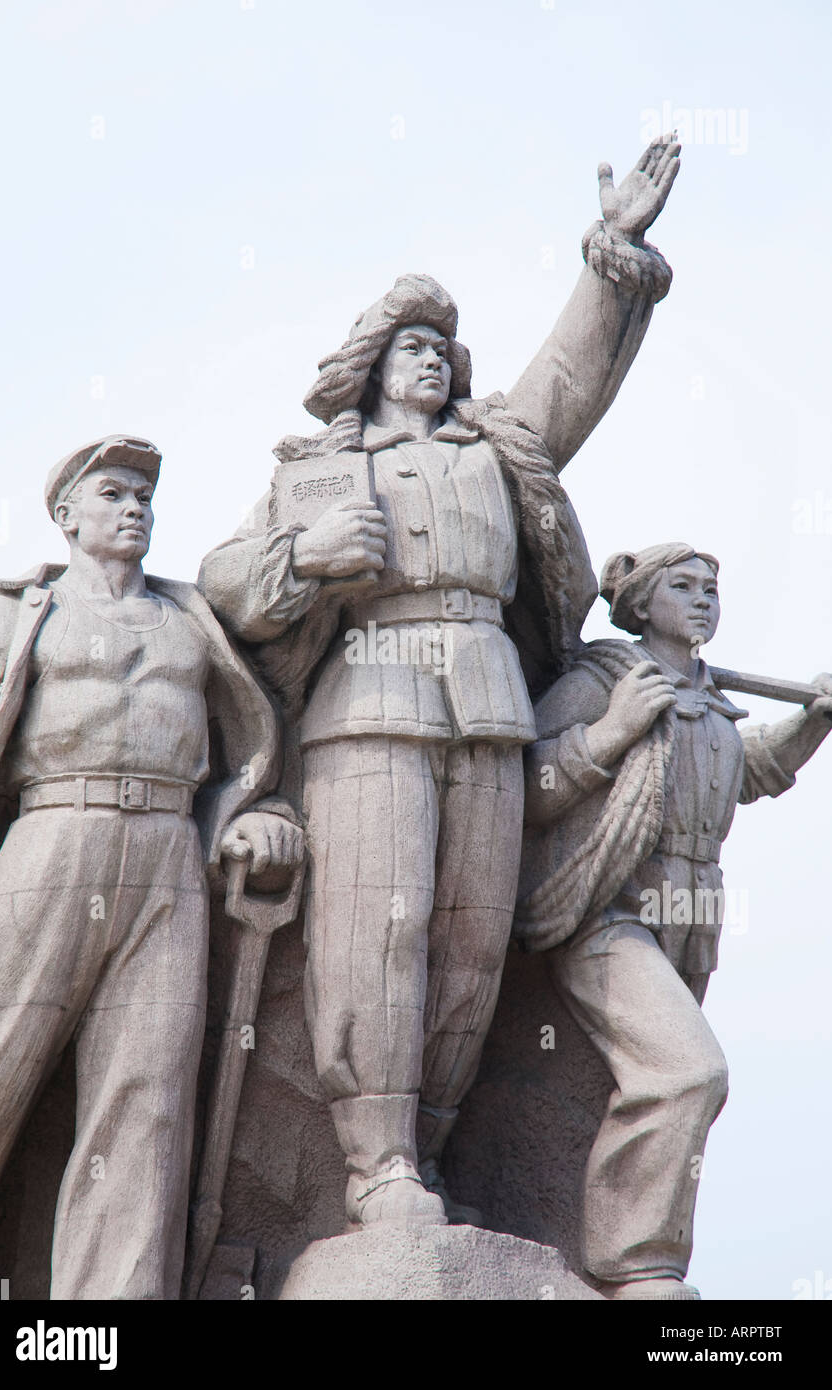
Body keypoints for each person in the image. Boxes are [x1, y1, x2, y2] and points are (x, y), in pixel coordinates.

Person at [199, 137, 681, 1229]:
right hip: (368, 706)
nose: (429, 359)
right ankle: (373, 1166)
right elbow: (226, 584)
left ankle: (429, 1151)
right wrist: (307, 555)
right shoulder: (316, 470)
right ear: (369, 363)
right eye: (410, 344)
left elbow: (567, 382)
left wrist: (612, 252)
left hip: (487, 706)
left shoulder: (493, 450)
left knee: (468, 938)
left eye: (441, 348)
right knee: (378, 929)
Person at [0, 435, 302, 1299]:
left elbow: (247, 749)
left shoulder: (193, 620)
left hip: (167, 854)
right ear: (66, 515)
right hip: (52, 838)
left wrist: (251, 813)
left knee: (145, 1104)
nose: (135, 507)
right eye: (113, 492)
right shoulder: (10, 616)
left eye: (145, 495)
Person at [515, 543, 832, 1299]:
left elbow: (749, 772)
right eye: (683, 586)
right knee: (688, 1070)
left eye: (712, 589)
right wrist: (613, 731)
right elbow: (526, 787)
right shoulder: (603, 680)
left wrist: (814, 724)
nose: (703, 600)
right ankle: (639, 1263)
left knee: (649, 1082)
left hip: (693, 916)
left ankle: (612, 1254)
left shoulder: (712, 699)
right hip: (608, 914)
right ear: (642, 603)